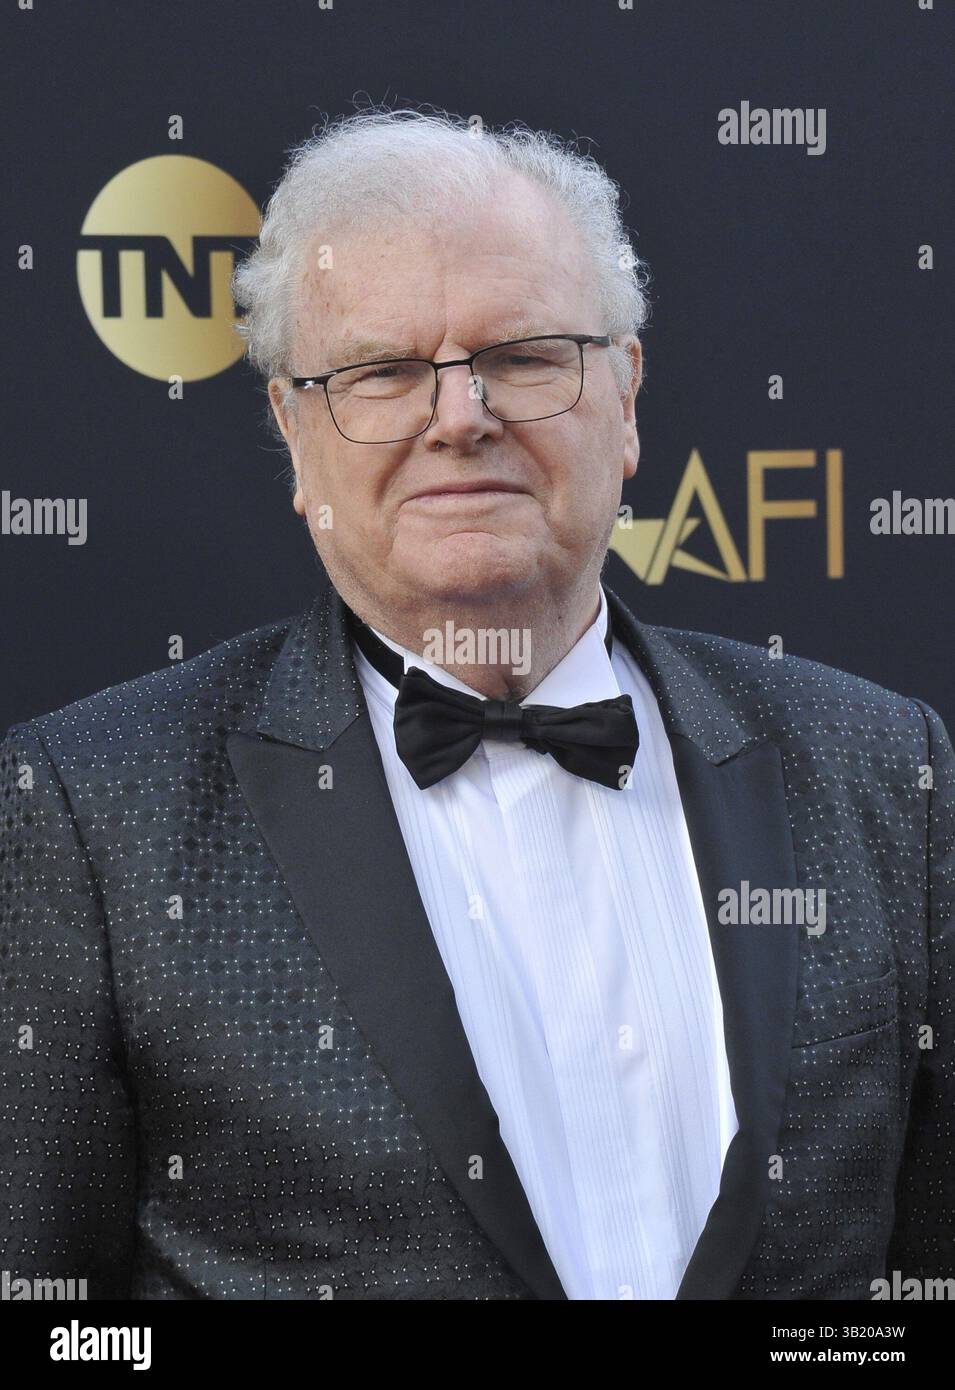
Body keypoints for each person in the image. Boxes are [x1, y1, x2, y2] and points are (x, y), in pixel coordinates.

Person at [1, 107, 951, 1301]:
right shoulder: (95, 812)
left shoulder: (881, 768)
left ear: (627, 395)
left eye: (522, 356)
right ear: (295, 433)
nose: (460, 417)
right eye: (382, 372)